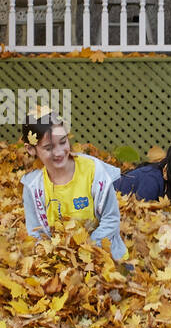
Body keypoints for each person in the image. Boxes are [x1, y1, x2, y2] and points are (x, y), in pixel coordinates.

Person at [20, 110, 128, 262]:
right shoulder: (33, 187)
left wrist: (86, 249)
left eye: (63, 142)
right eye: (49, 148)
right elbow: (35, 233)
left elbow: (111, 219)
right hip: (62, 261)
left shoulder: (93, 171)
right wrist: (54, 254)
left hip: (106, 257)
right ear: (31, 149)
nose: (59, 152)